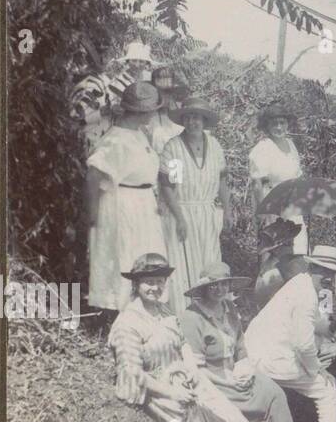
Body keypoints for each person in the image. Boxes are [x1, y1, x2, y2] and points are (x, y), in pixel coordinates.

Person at [110, 253, 281, 422]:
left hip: (183, 376)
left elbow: (182, 344)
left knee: (231, 416)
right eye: (149, 282)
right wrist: (173, 391)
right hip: (157, 388)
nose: (155, 287)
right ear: (136, 284)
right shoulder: (128, 323)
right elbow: (132, 373)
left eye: (160, 281)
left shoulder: (164, 312)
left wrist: (192, 371)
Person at [179, 261, 299, 422]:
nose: (220, 290)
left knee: (274, 392)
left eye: (224, 284)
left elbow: (240, 344)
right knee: (232, 406)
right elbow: (195, 367)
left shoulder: (228, 308)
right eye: (214, 285)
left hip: (236, 373)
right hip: (211, 380)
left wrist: (244, 367)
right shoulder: (192, 317)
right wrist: (228, 382)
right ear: (204, 288)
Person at [243, 248, 336, 422]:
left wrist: (330, 325)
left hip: (256, 349)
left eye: (332, 272)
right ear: (311, 266)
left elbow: (318, 323)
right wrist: (317, 370)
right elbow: (303, 344)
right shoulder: (307, 295)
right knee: (327, 390)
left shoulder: (301, 282)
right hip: (271, 359)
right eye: (322, 270)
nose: (327, 277)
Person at [86, 82, 167, 313]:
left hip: (143, 203)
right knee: (125, 254)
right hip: (123, 203)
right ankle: (122, 311)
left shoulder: (139, 133)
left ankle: (143, 308)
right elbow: (93, 175)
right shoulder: (116, 138)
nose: (154, 113)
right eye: (152, 109)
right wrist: (92, 215)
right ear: (141, 111)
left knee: (144, 255)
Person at [158, 96, 232, 305]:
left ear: (204, 121)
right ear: (183, 120)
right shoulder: (174, 147)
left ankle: (212, 310)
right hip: (182, 212)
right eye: (188, 117)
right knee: (183, 264)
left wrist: (228, 211)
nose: (193, 122)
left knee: (209, 261)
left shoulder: (215, 146)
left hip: (207, 213)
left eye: (197, 118)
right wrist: (180, 219)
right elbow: (169, 188)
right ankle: (185, 313)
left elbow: (222, 182)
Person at [248, 101, 307, 256]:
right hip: (272, 207)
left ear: (288, 124)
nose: (279, 127)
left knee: (298, 251)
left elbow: (297, 176)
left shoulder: (291, 145)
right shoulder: (262, 149)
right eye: (275, 124)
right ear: (267, 126)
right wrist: (265, 213)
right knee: (275, 254)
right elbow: (257, 184)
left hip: (294, 205)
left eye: (282, 123)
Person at [148, 66, 188, 153]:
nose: (161, 95)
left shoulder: (182, 114)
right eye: (157, 91)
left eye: (167, 91)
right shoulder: (146, 117)